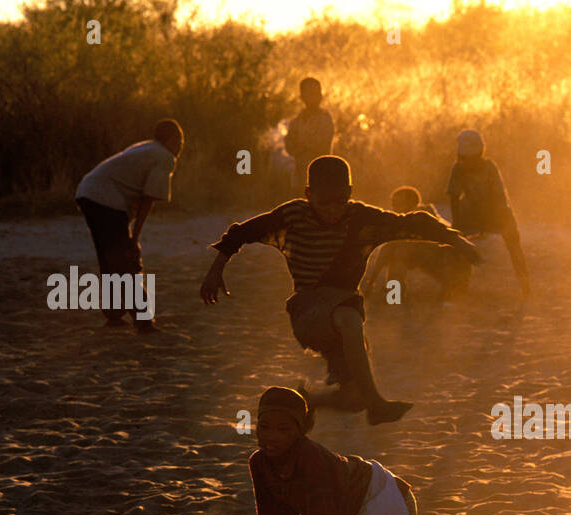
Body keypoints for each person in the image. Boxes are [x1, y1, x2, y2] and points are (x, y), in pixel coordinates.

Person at [201, 155, 482, 425]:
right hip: (309, 311)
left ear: (350, 191)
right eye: (324, 203)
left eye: (340, 201)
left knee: (352, 399)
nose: (333, 210)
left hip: (345, 322)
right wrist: (215, 270)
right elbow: (242, 232)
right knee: (349, 316)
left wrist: (456, 240)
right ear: (309, 193)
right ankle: (377, 403)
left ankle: (306, 400)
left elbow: (410, 223)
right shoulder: (293, 214)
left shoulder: (360, 217)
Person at [249, 386, 422, 515]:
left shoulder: (312, 460)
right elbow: (272, 512)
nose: (272, 436)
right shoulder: (259, 463)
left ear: (299, 432)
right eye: (265, 427)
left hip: (385, 500)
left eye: (283, 429)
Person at [75, 119, 182, 331]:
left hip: (87, 192)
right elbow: (147, 199)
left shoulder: (145, 147)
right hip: (105, 199)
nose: (180, 148)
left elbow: (131, 195)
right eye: (180, 141)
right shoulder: (165, 157)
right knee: (125, 259)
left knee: (109, 256)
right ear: (172, 140)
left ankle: (114, 314)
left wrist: (128, 230)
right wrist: (134, 237)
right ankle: (143, 320)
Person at [446, 129, 530, 298]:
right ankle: (458, 286)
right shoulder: (458, 169)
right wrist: (457, 226)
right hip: (472, 213)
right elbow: (454, 197)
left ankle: (526, 287)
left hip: (498, 213)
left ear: (480, 154)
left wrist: (493, 223)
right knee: (456, 247)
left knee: (514, 246)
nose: (466, 162)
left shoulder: (490, 168)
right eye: (463, 158)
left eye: (470, 158)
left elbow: (498, 200)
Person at [361, 186, 472, 303]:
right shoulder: (406, 220)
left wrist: (372, 280)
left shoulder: (424, 219)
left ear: (410, 203)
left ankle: (395, 297)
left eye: (397, 203)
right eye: (393, 203)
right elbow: (387, 249)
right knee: (398, 253)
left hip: (446, 264)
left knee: (399, 251)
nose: (393, 207)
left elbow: (388, 249)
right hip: (433, 260)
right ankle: (394, 297)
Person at [284, 77, 337, 196]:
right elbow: (289, 146)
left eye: (318, 93)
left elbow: (321, 144)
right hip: (299, 179)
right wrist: (304, 145)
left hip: (321, 177)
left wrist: (301, 145)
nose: (317, 97)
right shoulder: (297, 120)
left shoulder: (325, 118)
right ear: (302, 97)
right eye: (312, 94)